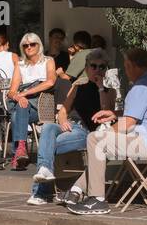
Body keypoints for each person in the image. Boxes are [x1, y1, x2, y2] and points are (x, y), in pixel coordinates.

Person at [65, 47, 147, 216]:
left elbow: (127, 124)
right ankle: (75, 190)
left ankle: (97, 199)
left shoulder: (141, 87)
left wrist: (106, 132)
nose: (126, 72)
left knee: (95, 140)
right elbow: (139, 114)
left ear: (132, 65)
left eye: (125, 67)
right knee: (103, 145)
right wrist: (114, 114)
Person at [27, 48, 115, 205]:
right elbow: (63, 111)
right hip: (69, 125)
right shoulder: (78, 87)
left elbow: (105, 110)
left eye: (102, 67)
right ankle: (44, 177)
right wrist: (62, 121)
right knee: (48, 128)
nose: (97, 70)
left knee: (47, 146)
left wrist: (101, 86)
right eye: (93, 66)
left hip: (85, 132)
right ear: (87, 68)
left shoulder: (109, 92)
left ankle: (41, 192)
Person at [5, 33, 55, 169]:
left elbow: (50, 82)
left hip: (43, 106)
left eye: (32, 44)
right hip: (26, 106)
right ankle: (21, 149)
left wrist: (25, 93)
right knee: (21, 107)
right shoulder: (20, 64)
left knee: (17, 112)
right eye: (25, 45)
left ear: (39, 45)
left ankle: (19, 153)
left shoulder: (48, 61)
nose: (29, 47)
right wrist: (18, 96)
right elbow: (11, 91)